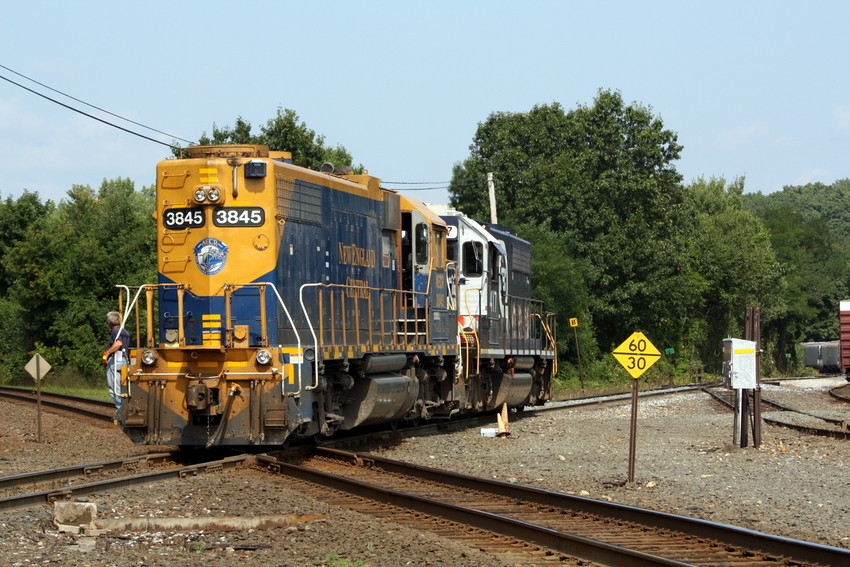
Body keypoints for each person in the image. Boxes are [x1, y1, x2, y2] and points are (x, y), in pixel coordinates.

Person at [104, 311, 130, 421]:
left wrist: (107, 353)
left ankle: (120, 412)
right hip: (124, 360)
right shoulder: (125, 331)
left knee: (114, 387)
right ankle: (123, 409)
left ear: (109, 322)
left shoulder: (115, 331)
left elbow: (118, 343)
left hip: (116, 360)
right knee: (122, 386)